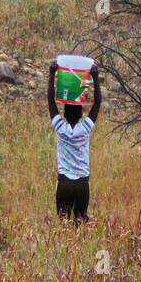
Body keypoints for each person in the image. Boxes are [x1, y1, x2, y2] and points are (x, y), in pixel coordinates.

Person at [47, 59, 101, 223]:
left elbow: (50, 101)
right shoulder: (84, 129)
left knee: (63, 225)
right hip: (82, 185)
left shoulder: (60, 128)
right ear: (80, 114)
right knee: (80, 223)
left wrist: (52, 74)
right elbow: (97, 102)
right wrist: (95, 77)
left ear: (64, 113)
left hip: (64, 183)